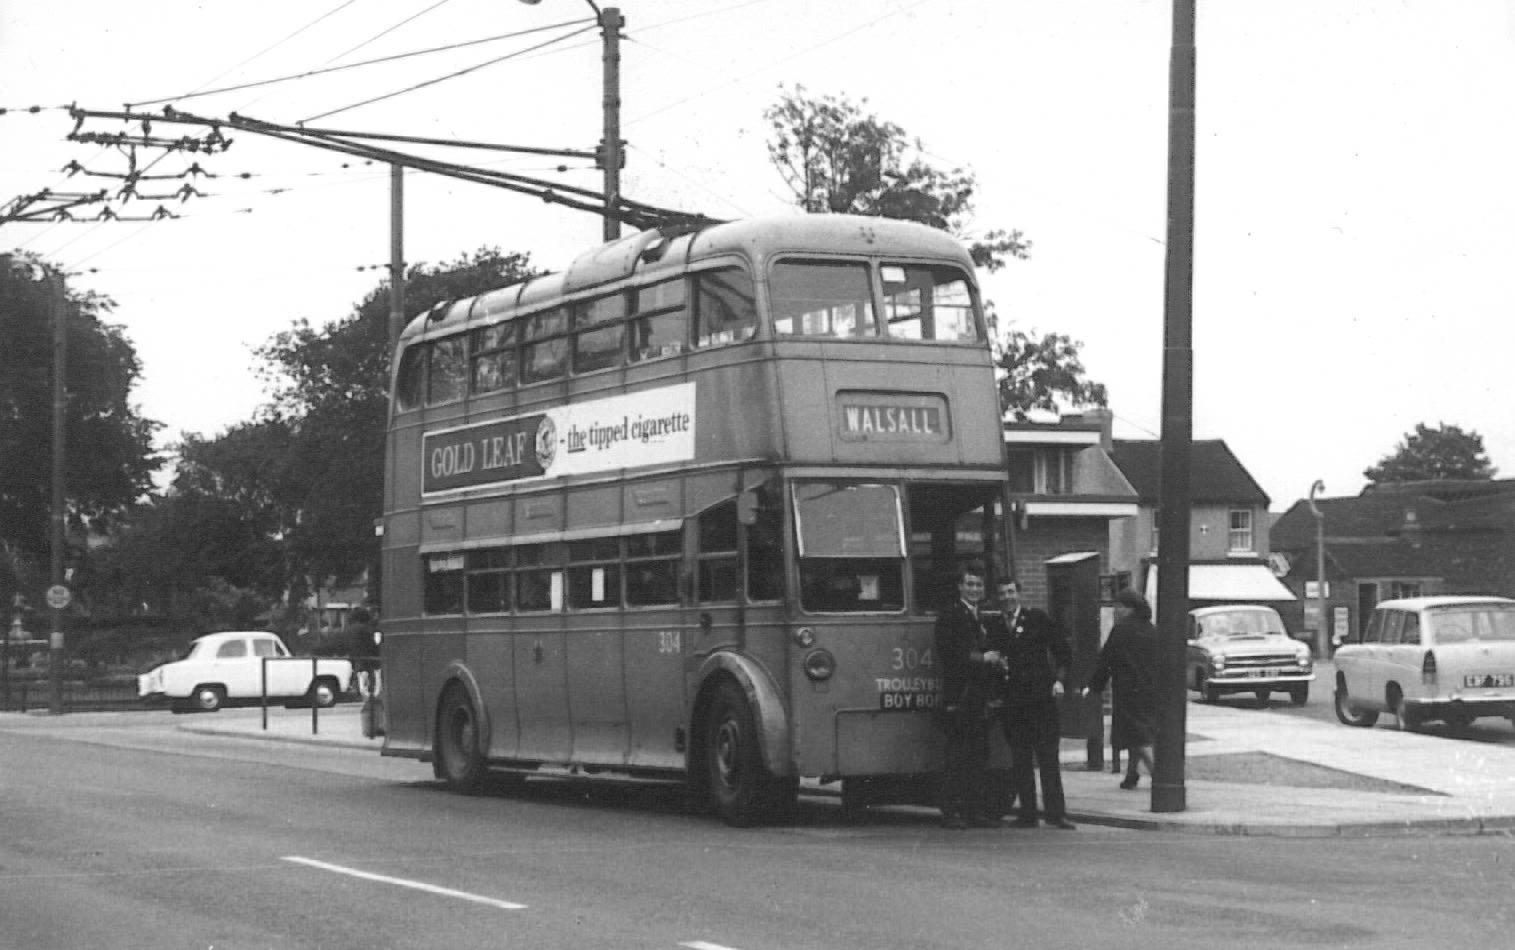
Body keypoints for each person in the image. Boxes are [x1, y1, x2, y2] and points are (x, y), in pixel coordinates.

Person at [988, 579, 1076, 830]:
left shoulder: (1037, 619)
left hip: (1041, 700)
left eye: (1011, 592)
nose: (1007, 597)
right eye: (1002, 593)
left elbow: (1063, 652)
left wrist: (1059, 681)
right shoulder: (995, 626)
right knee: (1021, 759)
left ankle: (1056, 813)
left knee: (1048, 757)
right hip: (1013, 703)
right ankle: (1028, 813)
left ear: (1019, 594)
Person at [933, 562, 1005, 829]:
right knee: (958, 755)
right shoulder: (951, 615)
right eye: (970, 584)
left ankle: (975, 811)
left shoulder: (982, 615)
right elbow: (950, 654)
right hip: (961, 695)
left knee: (979, 755)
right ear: (960, 587)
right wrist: (982, 658)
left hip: (980, 696)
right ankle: (951, 811)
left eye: (978, 585)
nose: (974, 589)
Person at [1083, 589, 1159, 789]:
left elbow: (1106, 660)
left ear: (1128, 608)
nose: (1116, 610)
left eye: (1119, 606)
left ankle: (1159, 778)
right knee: (1138, 734)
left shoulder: (1121, 630)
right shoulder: (1151, 630)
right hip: (1150, 690)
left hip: (1128, 692)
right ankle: (1131, 774)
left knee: (1139, 737)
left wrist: (1095, 686)